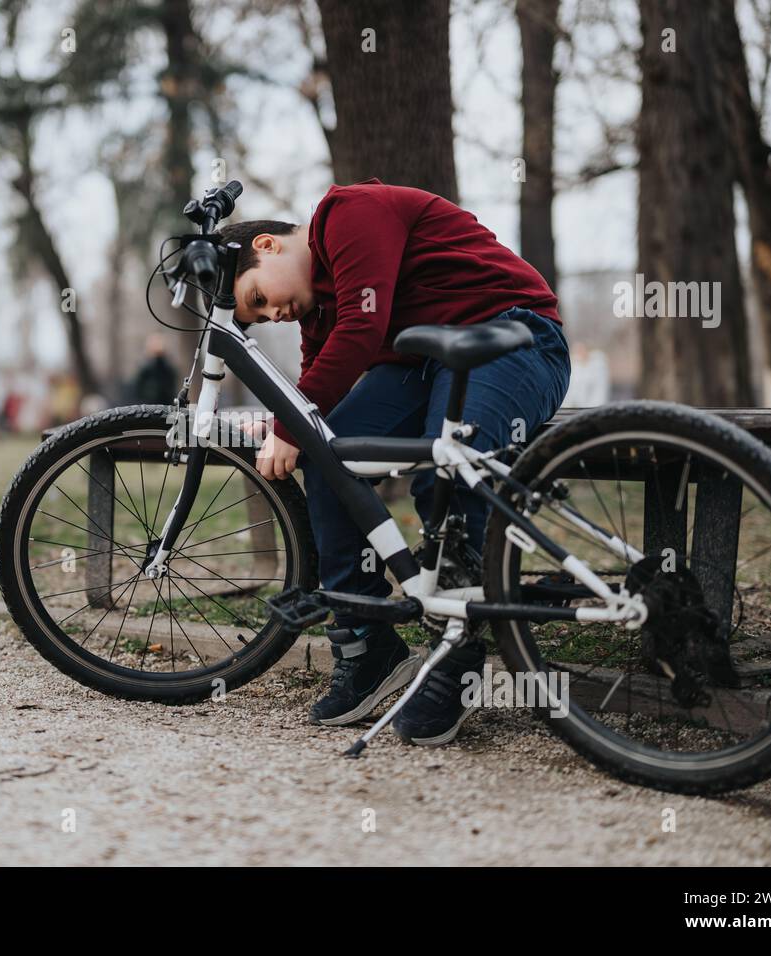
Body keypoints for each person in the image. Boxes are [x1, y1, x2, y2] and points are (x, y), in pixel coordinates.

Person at [219, 178, 571, 746]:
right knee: (326, 454)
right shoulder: (317, 308)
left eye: (258, 298)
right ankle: (367, 642)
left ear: (268, 245)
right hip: (422, 362)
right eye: (259, 319)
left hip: (511, 334)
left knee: (450, 469)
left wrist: (291, 421)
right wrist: (292, 426)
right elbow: (318, 393)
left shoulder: (349, 212)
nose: (272, 314)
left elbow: (363, 329)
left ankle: (457, 650)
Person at [128, 333, 181, 405]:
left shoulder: (169, 369)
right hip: (148, 408)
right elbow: (137, 393)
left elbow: (172, 391)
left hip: (165, 407)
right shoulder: (145, 369)